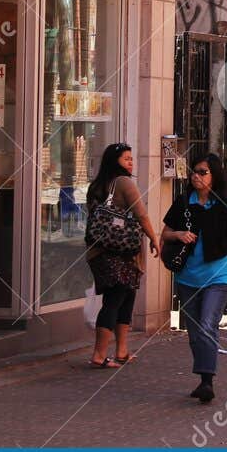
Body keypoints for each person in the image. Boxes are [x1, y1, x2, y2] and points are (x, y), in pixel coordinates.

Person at [162, 153, 227, 405]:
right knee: (195, 330)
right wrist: (179, 234)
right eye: (194, 171)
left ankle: (207, 380)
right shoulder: (184, 203)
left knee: (208, 323)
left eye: (202, 172)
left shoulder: (224, 206)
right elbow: (164, 233)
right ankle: (204, 376)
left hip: (218, 276)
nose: (196, 176)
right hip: (187, 277)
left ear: (214, 176)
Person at [85, 142, 160, 367]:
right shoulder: (125, 183)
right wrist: (154, 239)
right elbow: (142, 215)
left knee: (125, 298)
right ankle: (99, 356)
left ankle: (122, 351)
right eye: (126, 158)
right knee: (115, 300)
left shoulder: (97, 185)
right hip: (120, 252)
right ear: (113, 161)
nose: (131, 162)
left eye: (131, 158)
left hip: (99, 252)